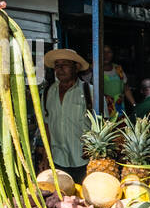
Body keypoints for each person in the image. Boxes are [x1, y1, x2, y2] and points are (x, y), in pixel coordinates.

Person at [40, 48, 92, 184]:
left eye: (65, 64)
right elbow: (46, 124)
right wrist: (46, 156)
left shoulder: (90, 92)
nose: (60, 69)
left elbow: (103, 124)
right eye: (57, 65)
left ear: (76, 67)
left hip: (85, 161)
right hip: (57, 159)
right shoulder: (48, 93)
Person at [100, 45, 135, 117]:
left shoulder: (118, 69)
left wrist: (134, 104)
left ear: (112, 54)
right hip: (104, 109)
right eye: (103, 52)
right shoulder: (95, 70)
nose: (106, 55)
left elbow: (126, 89)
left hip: (119, 108)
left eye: (109, 52)